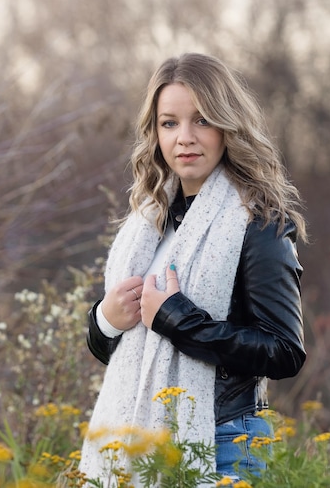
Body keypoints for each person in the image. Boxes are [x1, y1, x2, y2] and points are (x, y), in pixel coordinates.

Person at [79, 53, 307, 483]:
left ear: (227, 127)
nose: (185, 137)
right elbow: (117, 346)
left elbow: (284, 351)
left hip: (224, 441)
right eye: (170, 123)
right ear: (155, 133)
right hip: (144, 446)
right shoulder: (149, 222)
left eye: (202, 120)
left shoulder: (259, 223)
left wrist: (178, 320)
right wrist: (104, 320)